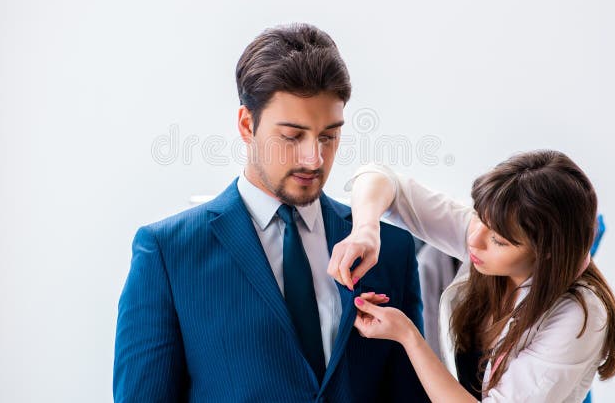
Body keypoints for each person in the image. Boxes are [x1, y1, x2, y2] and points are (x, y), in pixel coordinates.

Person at [113, 23, 428, 402]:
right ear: (247, 125)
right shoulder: (168, 253)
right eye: (293, 136)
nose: (314, 158)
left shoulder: (389, 250)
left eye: (329, 135)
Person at [327, 151, 615, 402]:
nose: (474, 240)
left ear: (546, 251)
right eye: (478, 217)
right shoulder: (488, 234)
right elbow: (379, 178)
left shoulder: (581, 317)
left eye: (499, 241)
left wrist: (408, 336)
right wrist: (365, 230)